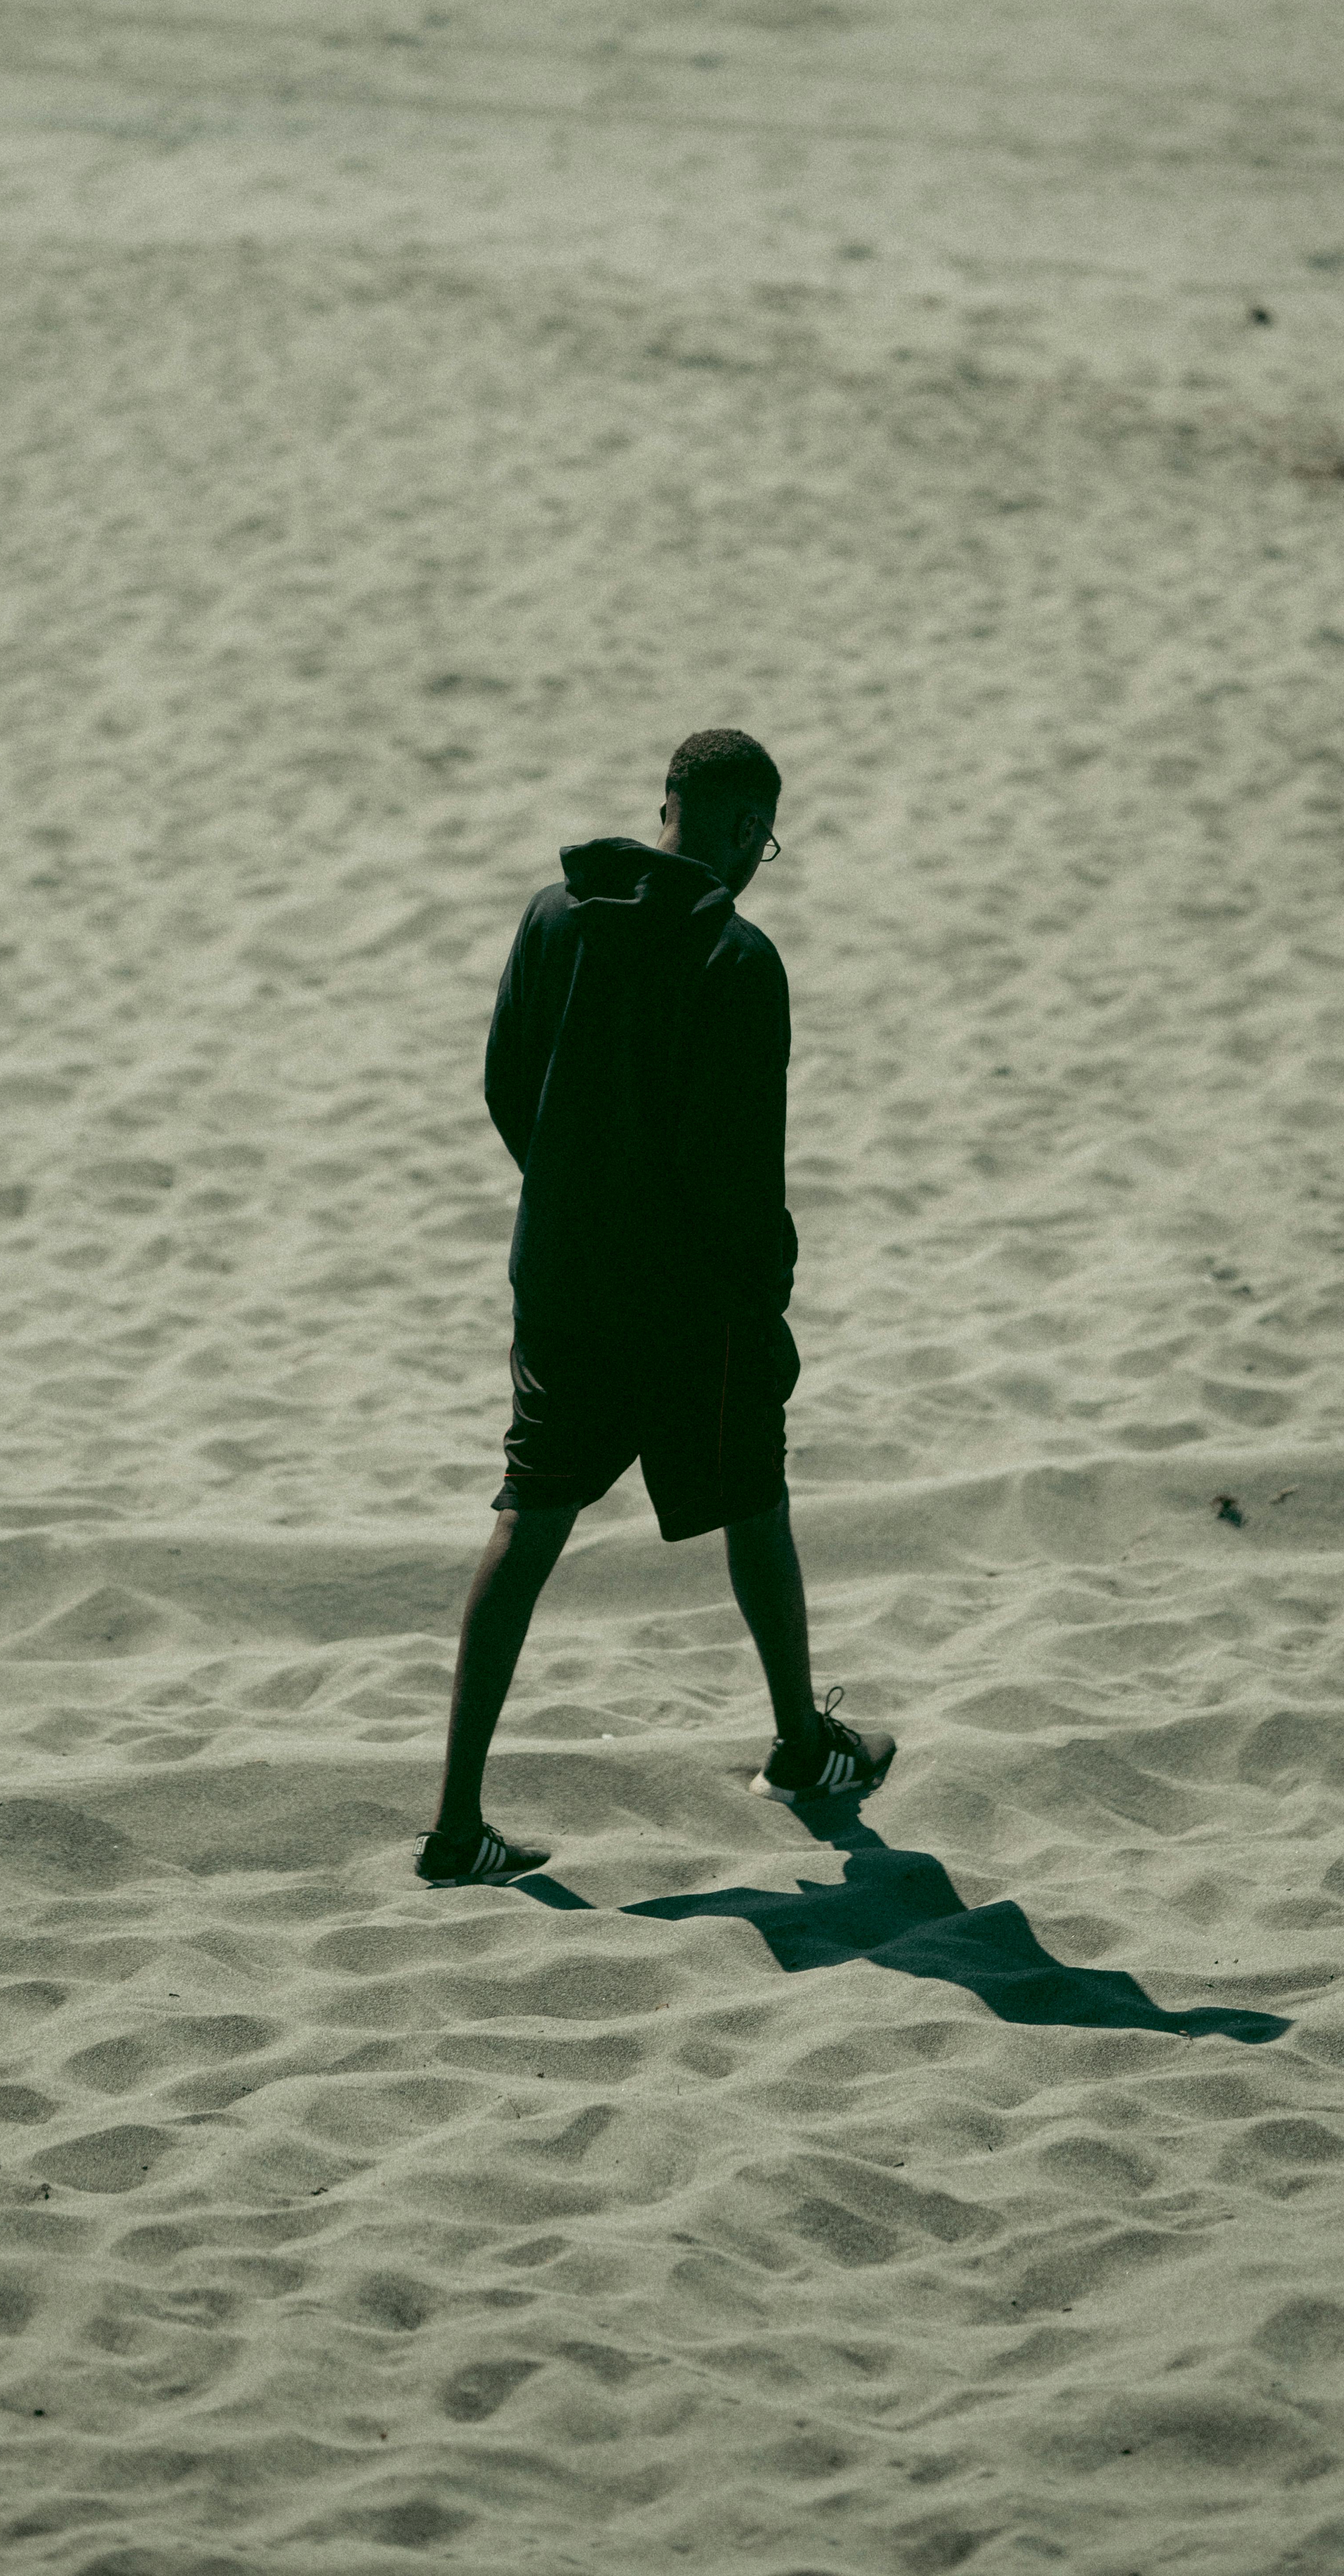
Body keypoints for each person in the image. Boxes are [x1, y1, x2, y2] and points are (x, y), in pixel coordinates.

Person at [415, 728, 894, 1885]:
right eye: (764, 841)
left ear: (665, 804)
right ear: (739, 830)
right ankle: (799, 1747)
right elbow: (744, 1176)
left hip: (564, 1281)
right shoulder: (738, 963)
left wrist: (576, 1195)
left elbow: (503, 1085)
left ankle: (454, 1824)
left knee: (527, 1520)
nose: (761, 861)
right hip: (688, 1306)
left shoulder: (550, 917)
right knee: (754, 1496)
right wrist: (766, 1299)